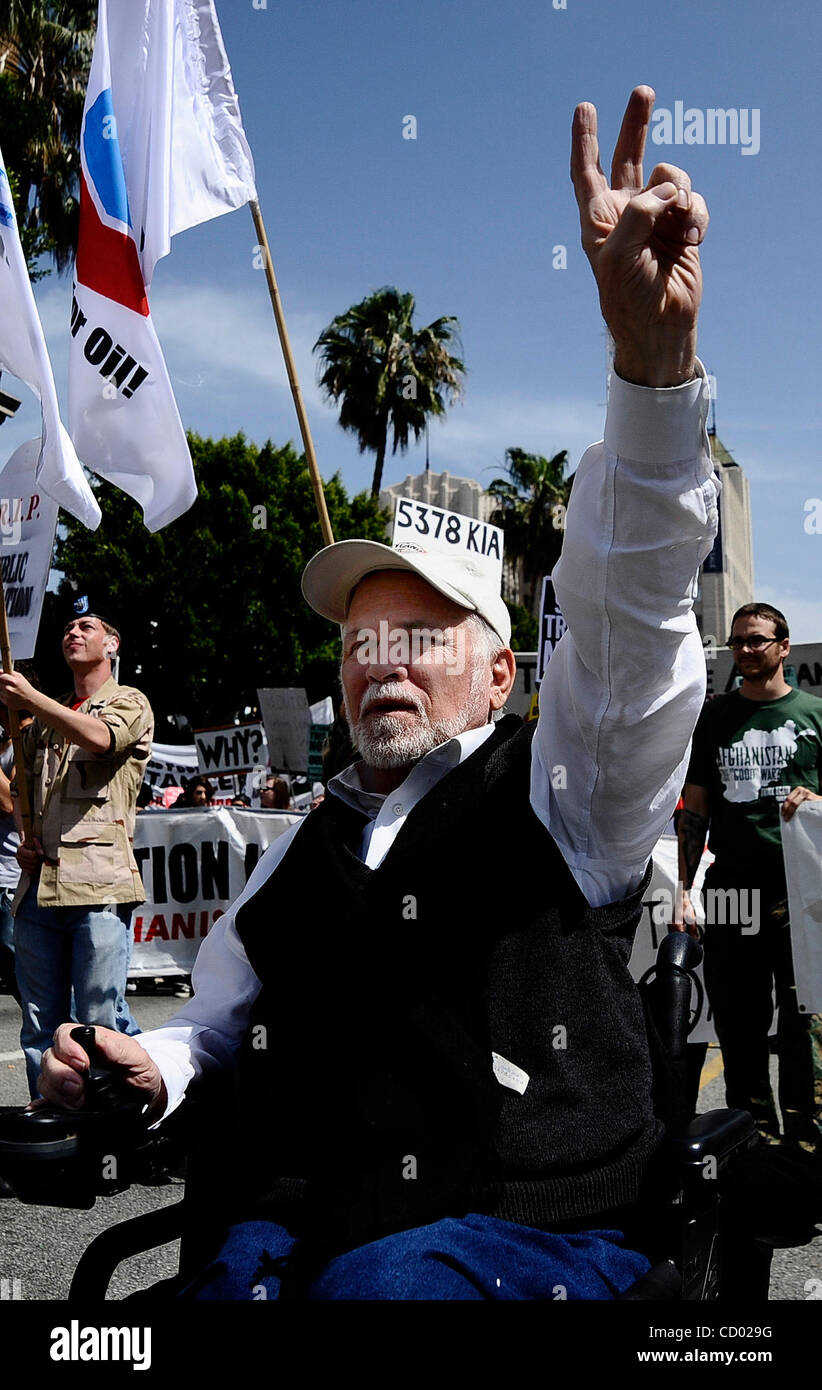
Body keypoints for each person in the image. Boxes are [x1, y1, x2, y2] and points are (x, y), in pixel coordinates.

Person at [40, 87, 717, 1300]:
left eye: (421, 631)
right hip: (319, 1215)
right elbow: (216, 1017)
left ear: (500, 672)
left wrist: (652, 381)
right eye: (360, 637)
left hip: (534, 1233)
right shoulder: (301, 847)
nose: (379, 658)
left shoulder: (566, 790)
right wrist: (147, 1063)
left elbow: (632, 622)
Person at [675, 604, 822, 1152]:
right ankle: (750, 1143)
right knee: (738, 1026)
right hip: (734, 891)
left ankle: (808, 1149)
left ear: (784, 645)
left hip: (804, 895)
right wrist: (685, 893)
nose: (744, 650)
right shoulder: (714, 719)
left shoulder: (815, 715)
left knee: (805, 1021)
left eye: (756, 641)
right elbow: (695, 812)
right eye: (736, 641)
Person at [0, 605, 153, 1096]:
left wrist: (33, 699)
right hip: (39, 891)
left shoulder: (130, 701)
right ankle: (49, 1129)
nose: (73, 632)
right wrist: (26, 839)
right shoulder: (42, 721)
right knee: (39, 1030)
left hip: (99, 890)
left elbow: (102, 738)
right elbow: (22, 795)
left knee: (97, 1024)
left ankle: (117, 1130)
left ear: (112, 645)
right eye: (68, 627)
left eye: (87, 627)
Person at [0, 662, 40, 1005]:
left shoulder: (30, 738)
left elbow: (9, 803)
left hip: (11, 880)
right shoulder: (6, 744)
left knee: (26, 976)